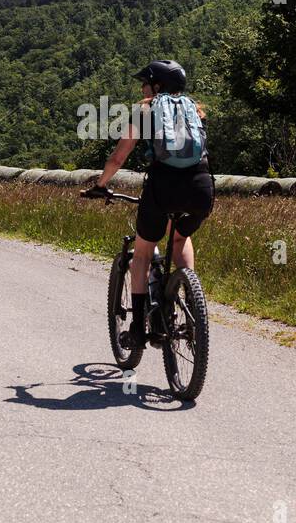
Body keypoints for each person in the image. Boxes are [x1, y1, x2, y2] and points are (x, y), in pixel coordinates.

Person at [82, 60, 214, 347]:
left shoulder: (145, 111)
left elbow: (118, 158)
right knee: (180, 238)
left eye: (145, 83)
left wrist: (100, 185)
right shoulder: (197, 111)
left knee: (141, 253)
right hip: (201, 189)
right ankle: (191, 305)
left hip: (162, 188)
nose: (141, 88)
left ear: (157, 86)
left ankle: (139, 328)